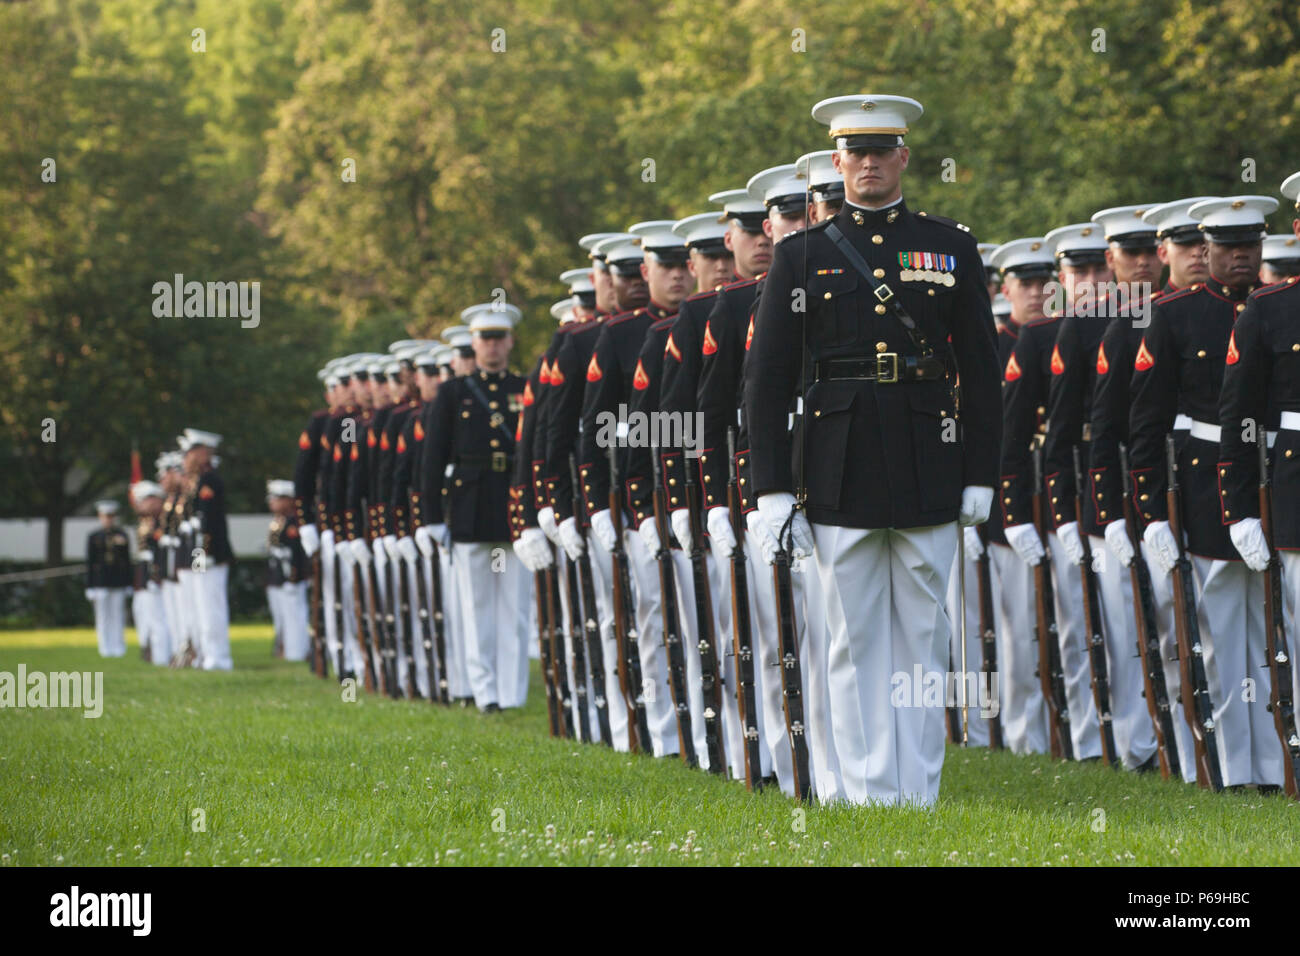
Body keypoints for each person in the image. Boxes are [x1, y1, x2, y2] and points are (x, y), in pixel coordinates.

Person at [744, 94, 1001, 806]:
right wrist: (770, 487)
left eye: (881, 150)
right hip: (838, 456)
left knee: (923, 635)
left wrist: (981, 471)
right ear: (837, 161)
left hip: (929, 452)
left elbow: (981, 372)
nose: (868, 163)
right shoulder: (802, 255)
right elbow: (766, 381)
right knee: (850, 638)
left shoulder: (951, 245)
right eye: (855, 152)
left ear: (903, 158)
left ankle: (915, 791)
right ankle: (859, 792)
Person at [1130, 194, 1281, 789]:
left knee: (1273, 631)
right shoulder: (1172, 315)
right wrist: (1150, 515)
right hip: (1201, 484)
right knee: (1218, 632)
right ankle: (1231, 766)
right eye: (1226, 247)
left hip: (1275, 475)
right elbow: (1146, 423)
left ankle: (1277, 760)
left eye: (1250, 246)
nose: (1240, 256)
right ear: (1206, 251)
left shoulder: (1276, 307)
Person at [421, 304, 529, 712]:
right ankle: (484, 691)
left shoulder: (525, 387)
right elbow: (432, 457)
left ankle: (512, 692)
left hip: (512, 506)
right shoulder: (454, 393)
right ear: (474, 343)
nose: (492, 346)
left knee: (514, 608)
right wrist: (432, 515)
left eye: (499, 337)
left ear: (510, 341)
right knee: (476, 606)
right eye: (485, 338)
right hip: (469, 508)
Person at [183, 428, 234, 670]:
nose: (190, 457)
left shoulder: (210, 480)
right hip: (200, 553)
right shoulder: (198, 481)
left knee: (212, 607)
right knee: (202, 607)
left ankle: (219, 657)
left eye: (194, 452)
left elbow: (209, 522)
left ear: (205, 452)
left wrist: (207, 553)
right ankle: (206, 654)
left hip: (210, 553)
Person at [267, 479, 311, 661]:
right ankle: (285, 648)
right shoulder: (279, 521)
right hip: (277, 576)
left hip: (291, 577)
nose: (273, 502)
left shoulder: (294, 522)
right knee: (283, 616)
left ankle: (297, 651)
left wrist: (293, 577)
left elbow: (296, 553)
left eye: (278, 498)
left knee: (295, 616)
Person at [129, 481, 171, 665]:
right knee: (151, 615)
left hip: (171, 573)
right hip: (155, 573)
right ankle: (157, 654)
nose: (140, 505)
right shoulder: (151, 521)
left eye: (144, 500)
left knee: (164, 617)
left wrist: (196, 570)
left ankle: (165, 655)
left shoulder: (164, 520)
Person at [86, 499, 131, 657]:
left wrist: (128, 584)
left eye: (111, 516)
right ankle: (105, 647)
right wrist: (90, 586)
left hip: (118, 582)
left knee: (118, 616)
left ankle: (118, 647)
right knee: (103, 617)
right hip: (100, 582)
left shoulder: (122, 535)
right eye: (105, 516)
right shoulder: (94, 536)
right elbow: (90, 563)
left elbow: (126, 561)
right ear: (100, 516)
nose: (108, 519)